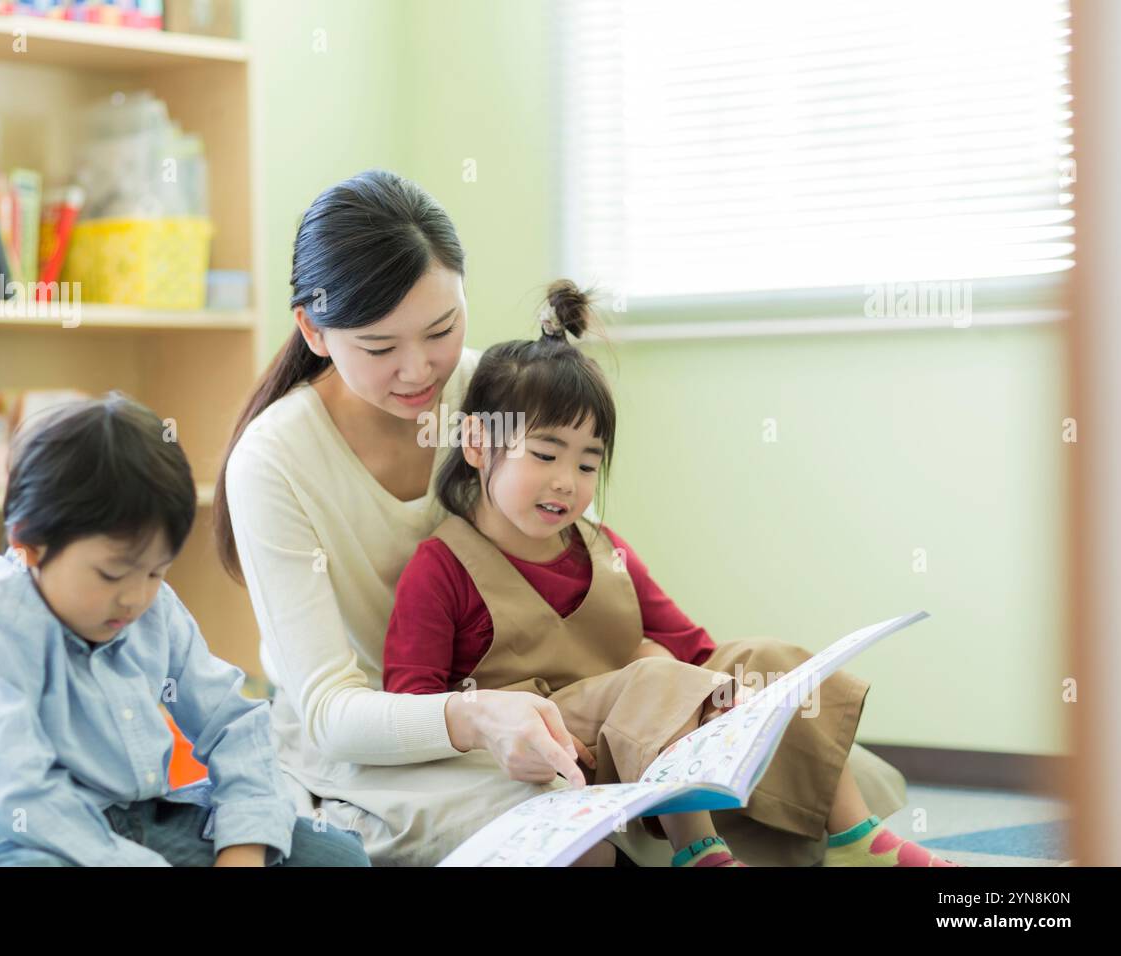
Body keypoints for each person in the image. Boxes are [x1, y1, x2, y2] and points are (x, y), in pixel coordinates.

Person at [215, 168, 909, 866]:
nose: (419, 370)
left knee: (840, 776)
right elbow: (334, 714)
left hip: (569, 697)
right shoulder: (273, 462)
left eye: (441, 329)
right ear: (313, 328)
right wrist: (479, 717)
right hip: (396, 742)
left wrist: (676, 689)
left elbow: (588, 561)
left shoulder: (501, 391)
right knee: (569, 830)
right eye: (378, 348)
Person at [382, 280, 960, 867]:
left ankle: (855, 840)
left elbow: (699, 653)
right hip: (554, 747)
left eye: (588, 462)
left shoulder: (604, 550)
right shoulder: (441, 567)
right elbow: (411, 709)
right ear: (479, 444)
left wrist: (738, 698)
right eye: (546, 453)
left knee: (768, 659)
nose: (567, 481)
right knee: (654, 668)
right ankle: (699, 850)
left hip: (641, 732)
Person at [0, 392, 370, 867]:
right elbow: (17, 795)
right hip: (9, 839)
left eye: (156, 571)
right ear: (30, 546)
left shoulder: (151, 605)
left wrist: (243, 845)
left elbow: (232, 724)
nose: (135, 597)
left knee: (335, 856)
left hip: (135, 819)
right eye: (111, 574)